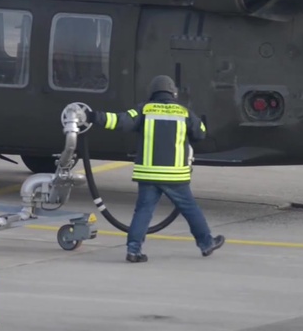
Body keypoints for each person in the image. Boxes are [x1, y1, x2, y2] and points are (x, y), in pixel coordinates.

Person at [86, 75, 225, 263]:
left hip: (148, 174)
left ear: (152, 92)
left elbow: (119, 121)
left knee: (143, 211)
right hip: (174, 175)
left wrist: (92, 116)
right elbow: (200, 133)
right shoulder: (184, 112)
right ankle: (206, 243)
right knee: (190, 209)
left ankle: (133, 250)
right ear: (173, 93)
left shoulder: (144, 110)